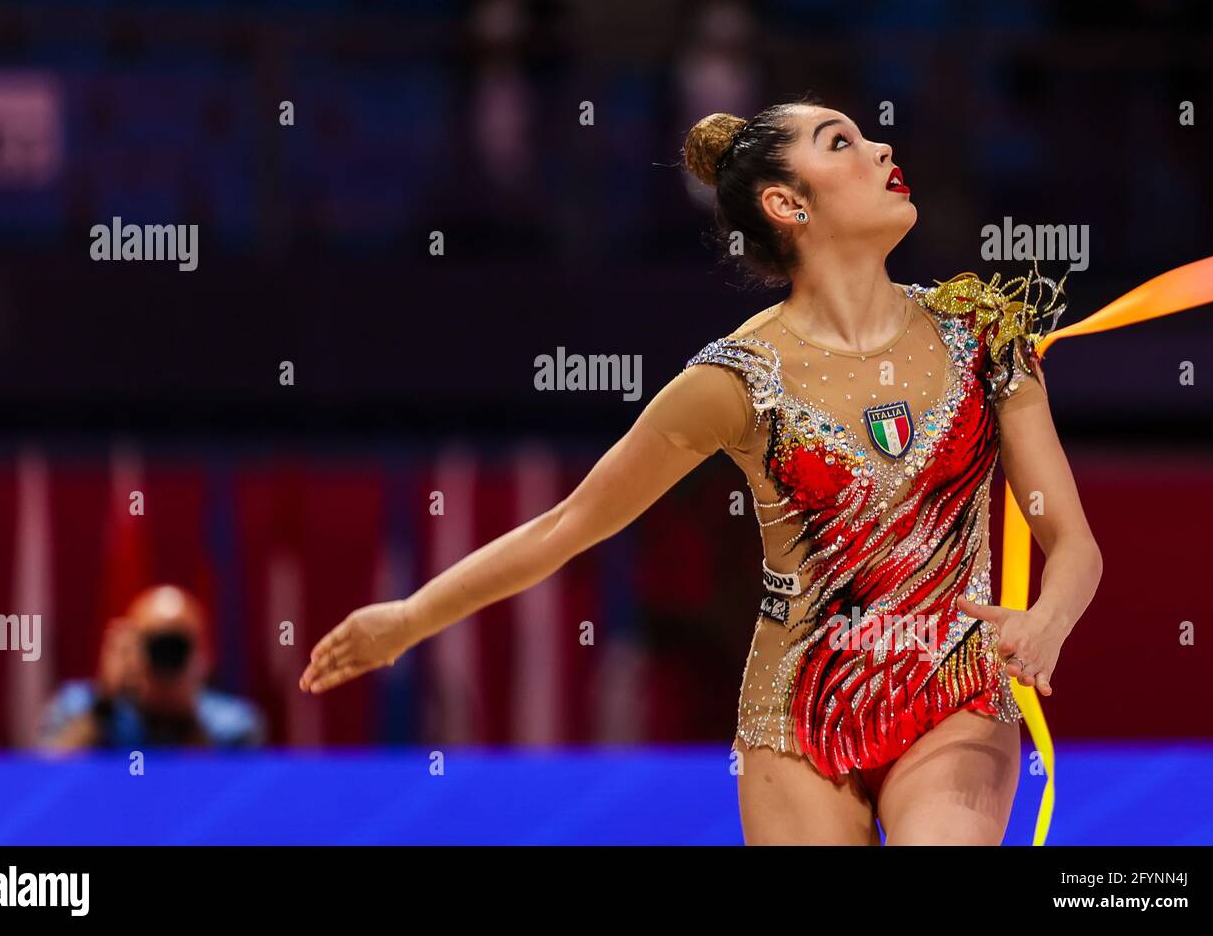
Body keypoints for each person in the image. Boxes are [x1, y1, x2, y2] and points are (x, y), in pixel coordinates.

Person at [298, 96, 1102, 846]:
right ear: (789, 205)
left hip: (953, 688)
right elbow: (566, 525)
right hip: (798, 715)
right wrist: (408, 617)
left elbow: (1070, 538)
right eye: (842, 142)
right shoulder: (735, 379)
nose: (882, 145)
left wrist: (1047, 619)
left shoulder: (983, 333)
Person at [40, 584, 265, 751]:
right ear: (131, 649)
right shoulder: (79, 707)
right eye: (156, 644)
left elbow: (231, 798)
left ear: (203, 655)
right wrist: (104, 705)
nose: (166, 656)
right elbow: (47, 783)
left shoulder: (233, 723)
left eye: (178, 646)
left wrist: (189, 718)